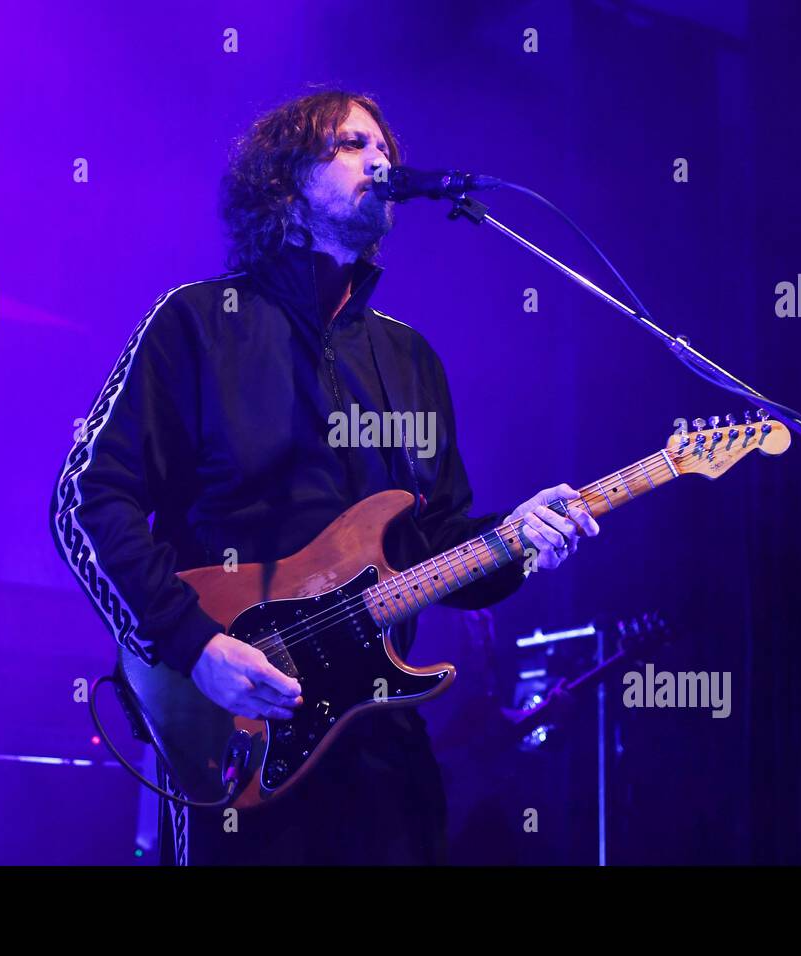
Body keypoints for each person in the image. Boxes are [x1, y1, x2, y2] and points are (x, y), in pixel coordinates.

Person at [50, 89, 599, 865]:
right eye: (350, 144)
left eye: (386, 150)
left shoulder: (410, 359)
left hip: (381, 741)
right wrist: (195, 644)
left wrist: (517, 540)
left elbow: (437, 544)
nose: (381, 161)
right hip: (236, 726)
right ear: (284, 181)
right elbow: (85, 500)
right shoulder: (196, 323)